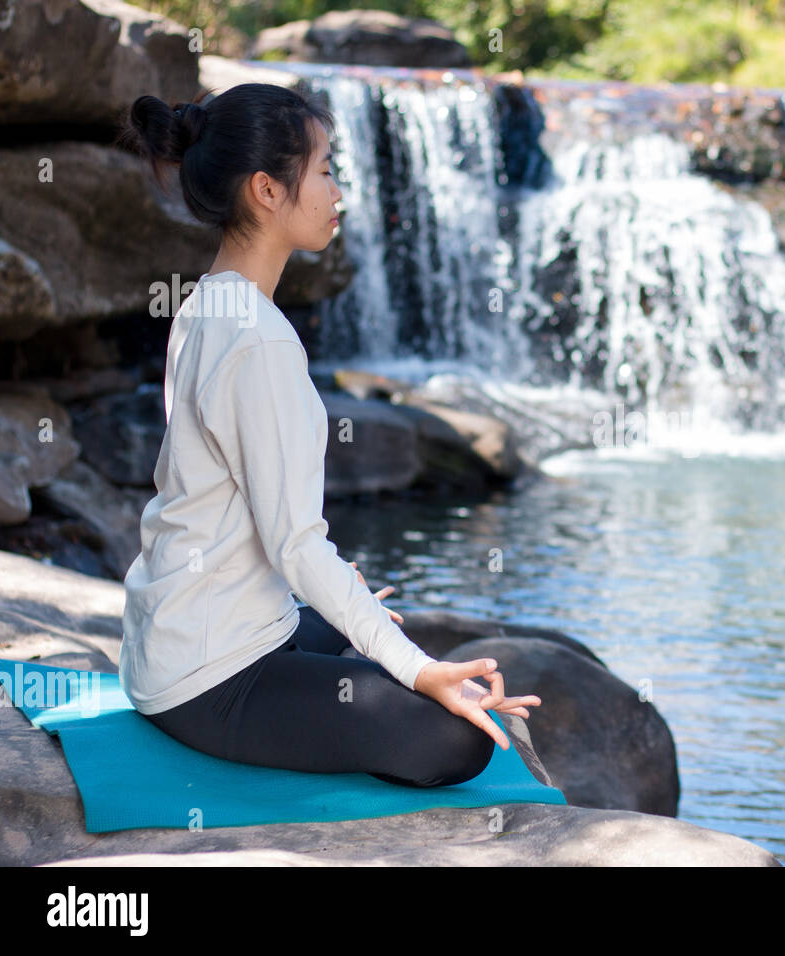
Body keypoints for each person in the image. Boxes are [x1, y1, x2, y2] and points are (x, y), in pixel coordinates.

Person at [113, 83, 539, 788]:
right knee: (458, 743)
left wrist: (374, 632)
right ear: (267, 191)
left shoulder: (208, 302)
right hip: (208, 677)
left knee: (370, 616)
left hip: (181, 634)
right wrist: (423, 672)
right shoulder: (259, 342)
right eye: (324, 170)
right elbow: (296, 545)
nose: (338, 190)